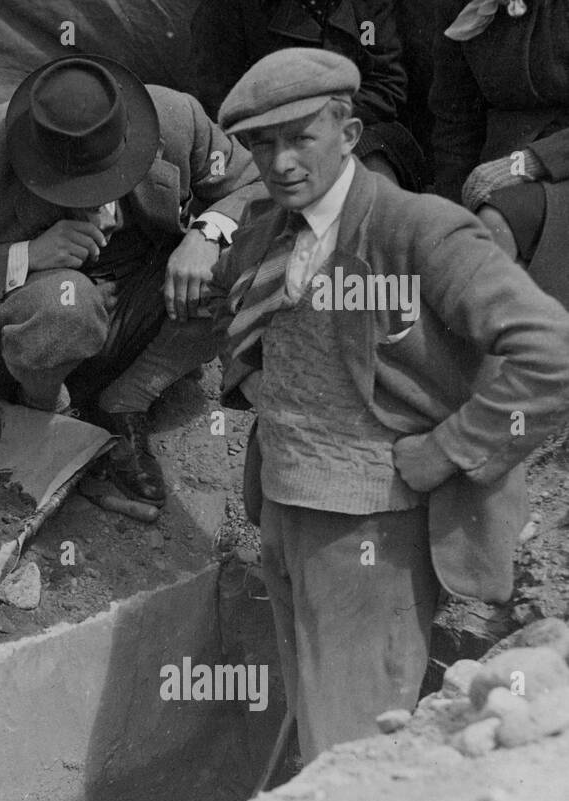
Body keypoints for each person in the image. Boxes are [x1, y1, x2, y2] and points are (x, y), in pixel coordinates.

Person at [210, 48, 569, 761]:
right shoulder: (267, 230)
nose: (280, 161)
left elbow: (551, 351)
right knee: (321, 719)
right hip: (284, 507)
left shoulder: (419, 229)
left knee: (351, 748)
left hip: (374, 527)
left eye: (299, 137)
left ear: (347, 133)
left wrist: (453, 449)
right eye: (261, 144)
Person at [0, 54, 264, 513]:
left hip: (139, 298)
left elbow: (255, 186)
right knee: (66, 307)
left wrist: (207, 233)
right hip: (29, 326)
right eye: (71, 189)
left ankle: (127, 398)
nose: (95, 201)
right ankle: (51, 418)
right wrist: (27, 256)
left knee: (244, 263)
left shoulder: (176, 118)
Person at [192, 0, 428, 189]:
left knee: (371, 176)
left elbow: (386, 84)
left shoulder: (366, 9)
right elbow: (220, 102)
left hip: (357, 127)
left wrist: (321, 122)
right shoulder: (228, 9)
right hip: (263, 139)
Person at [431, 0, 569, 306]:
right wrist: (451, 210)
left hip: (559, 163)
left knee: (495, 227)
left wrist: (529, 162)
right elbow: (456, 121)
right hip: (496, 168)